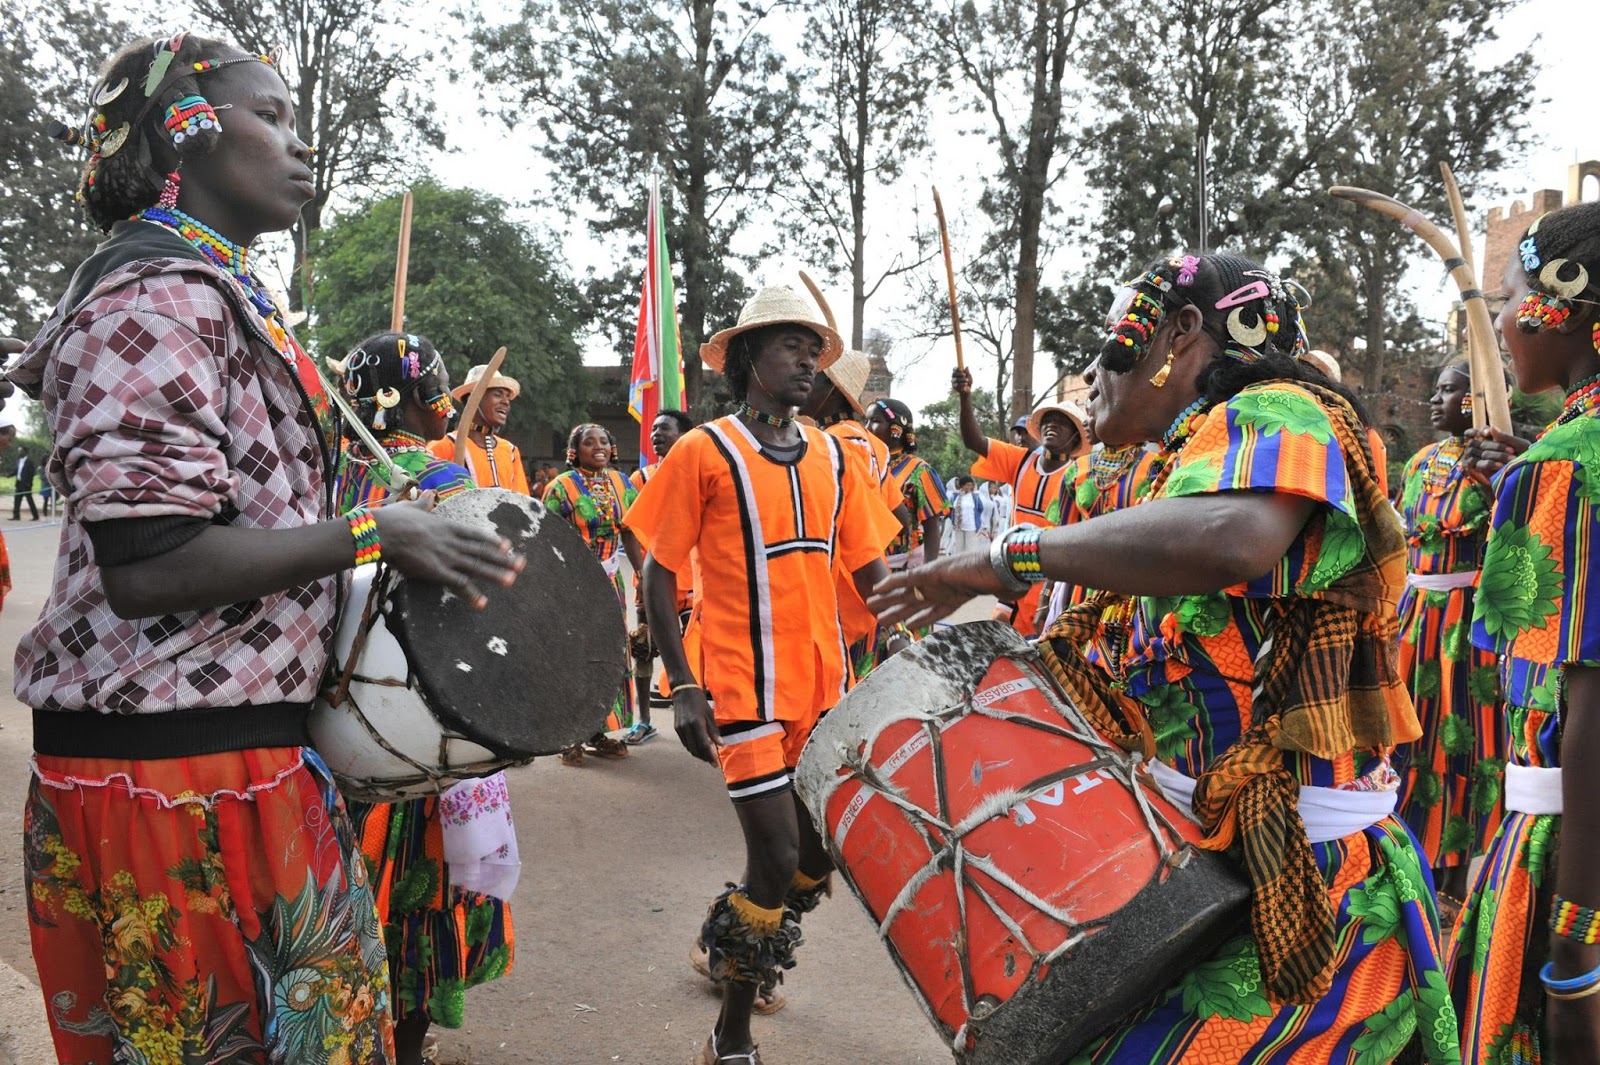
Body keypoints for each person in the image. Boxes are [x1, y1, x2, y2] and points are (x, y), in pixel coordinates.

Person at [10, 32, 519, 1063]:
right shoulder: (155, 295)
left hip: (228, 759)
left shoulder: (211, 287)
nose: (301, 146)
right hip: (175, 783)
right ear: (186, 134)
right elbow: (151, 563)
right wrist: (379, 531)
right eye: (272, 118)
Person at [872, 252, 1458, 1062]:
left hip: (1300, 883)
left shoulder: (1286, 406)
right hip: (1199, 872)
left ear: (1181, 333)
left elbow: (1235, 539)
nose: (1091, 370)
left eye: (1111, 337)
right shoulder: (1180, 460)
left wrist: (1003, 560)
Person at [626, 286, 900, 1065]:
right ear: (746, 357)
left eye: (814, 349)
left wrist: (915, 618)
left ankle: (734, 933)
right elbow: (658, 572)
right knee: (778, 858)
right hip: (740, 687)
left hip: (824, 689)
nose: (809, 360)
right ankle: (731, 1036)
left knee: (817, 859)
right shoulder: (703, 451)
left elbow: (872, 567)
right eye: (790, 345)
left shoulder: (836, 455)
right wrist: (681, 684)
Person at [337, 332, 517, 1065]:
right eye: (437, 387)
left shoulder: (328, 472)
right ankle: (404, 1049)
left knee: (339, 868)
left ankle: (340, 1025)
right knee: (419, 888)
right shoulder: (442, 476)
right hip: (422, 712)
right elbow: (491, 591)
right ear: (417, 395)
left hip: (331, 707)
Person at [1450, 200, 1600, 1063]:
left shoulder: (1570, 462)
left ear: (1563, 300)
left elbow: (1589, 706)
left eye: (1504, 295)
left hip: (1571, 852)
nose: (1500, 320)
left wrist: (1575, 948)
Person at [1393, 361, 1505, 922]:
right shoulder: (1418, 463)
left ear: (1478, 398)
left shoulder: (1498, 467)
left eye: (1451, 390)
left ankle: (1459, 873)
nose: (1436, 399)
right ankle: (1407, 862)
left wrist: (1503, 471)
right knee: (1408, 735)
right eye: (1434, 388)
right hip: (1414, 619)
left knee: (1462, 738)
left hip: (1467, 624)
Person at [799, 348, 912, 678]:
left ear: (833, 391)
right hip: (872, 581)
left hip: (840, 585)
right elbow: (899, 517)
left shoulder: (828, 444)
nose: (806, 382)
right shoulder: (874, 445)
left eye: (817, 378)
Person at [952, 370, 1088, 636]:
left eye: (1062, 422)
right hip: (1013, 579)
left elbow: (1076, 547)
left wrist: (1050, 595)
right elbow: (974, 441)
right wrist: (965, 397)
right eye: (1048, 420)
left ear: (1075, 437)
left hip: (1051, 587)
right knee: (999, 651)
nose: (1052, 425)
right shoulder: (1020, 461)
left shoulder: (1080, 477)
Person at [544, 421, 644, 765]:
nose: (598, 446)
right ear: (575, 451)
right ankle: (569, 735)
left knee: (610, 654)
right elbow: (547, 539)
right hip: (573, 585)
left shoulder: (621, 483)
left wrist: (641, 572)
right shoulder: (561, 487)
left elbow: (630, 531)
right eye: (589, 442)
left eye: (604, 440)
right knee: (575, 656)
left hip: (611, 584)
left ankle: (599, 731)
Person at [625, 408, 696, 744]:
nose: (656, 434)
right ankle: (643, 720)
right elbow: (630, 529)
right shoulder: (640, 478)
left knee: (700, 647)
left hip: (694, 581)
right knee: (643, 646)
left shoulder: (698, 471)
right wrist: (641, 572)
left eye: (664, 428)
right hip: (655, 581)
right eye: (653, 430)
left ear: (684, 434)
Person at [1036, 438, 1159, 632]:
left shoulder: (1156, 465)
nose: (1089, 416)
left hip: (1133, 592)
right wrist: (1046, 596)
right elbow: (1062, 541)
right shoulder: (1078, 468)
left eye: (1094, 405)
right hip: (1080, 589)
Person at [865, 398, 948, 577]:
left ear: (896, 429)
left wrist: (927, 572)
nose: (867, 428)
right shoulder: (866, 465)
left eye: (875, 421)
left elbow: (932, 524)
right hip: (868, 562)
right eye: (866, 421)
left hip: (904, 565)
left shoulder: (919, 470)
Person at [426, 362, 531, 493]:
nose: (506, 402)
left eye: (507, 397)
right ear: (473, 398)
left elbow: (522, 502)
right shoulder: (442, 447)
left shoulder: (510, 451)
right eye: (498, 395)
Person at [948, 475, 989, 553]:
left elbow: (980, 508)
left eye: (971, 485)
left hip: (971, 526)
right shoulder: (955, 496)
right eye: (967, 485)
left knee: (971, 550)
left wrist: (978, 520)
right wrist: (954, 520)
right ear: (962, 485)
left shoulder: (975, 497)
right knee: (959, 549)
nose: (969, 487)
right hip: (958, 527)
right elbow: (950, 510)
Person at [12, 445, 39, 520]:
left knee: (29, 500)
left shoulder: (29, 462)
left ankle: (35, 516)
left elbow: (32, 473)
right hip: (19, 483)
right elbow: (16, 471)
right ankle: (16, 516)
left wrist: (29, 483)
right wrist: (9, 475)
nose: (19, 452)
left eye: (21, 451)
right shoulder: (18, 460)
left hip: (26, 485)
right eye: (19, 451)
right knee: (17, 500)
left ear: (25, 452)